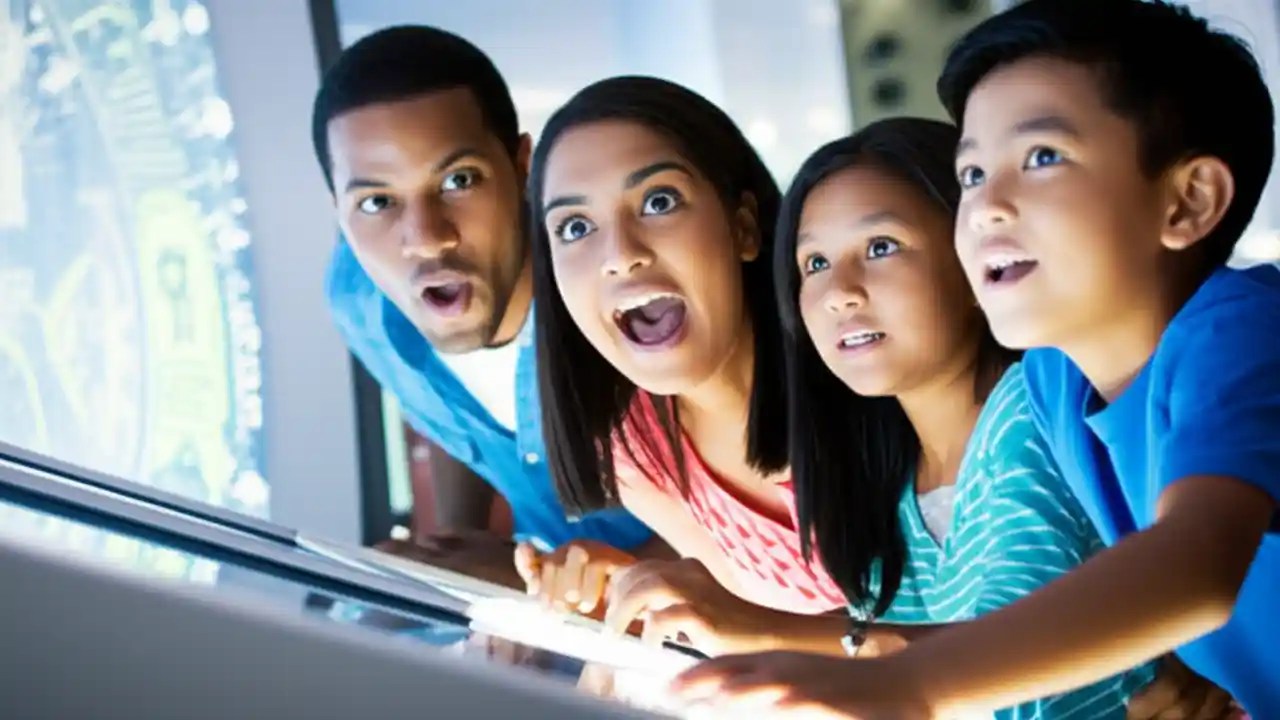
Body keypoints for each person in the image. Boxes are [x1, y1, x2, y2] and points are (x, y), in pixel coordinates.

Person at [673, 0, 1277, 716]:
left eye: (1043, 157)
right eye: (971, 175)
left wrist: (909, 685)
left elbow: (1197, 565)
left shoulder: (1241, 329)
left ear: (1189, 201)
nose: (988, 205)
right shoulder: (1058, 380)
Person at [311, 26, 656, 585]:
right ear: (337, 208)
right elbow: (445, 407)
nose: (426, 237)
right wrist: (457, 547)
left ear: (522, 165)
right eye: (376, 202)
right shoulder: (359, 299)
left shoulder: (625, 297)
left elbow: (766, 532)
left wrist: (528, 582)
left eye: (458, 180)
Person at [517, 76, 848, 639]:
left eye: (658, 201)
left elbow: (978, 620)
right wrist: (641, 594)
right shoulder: (635, 450)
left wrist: (750, 630)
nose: (621, 255)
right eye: (575, 227)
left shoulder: (861, 370)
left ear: (743, 227)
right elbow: (756, 623)